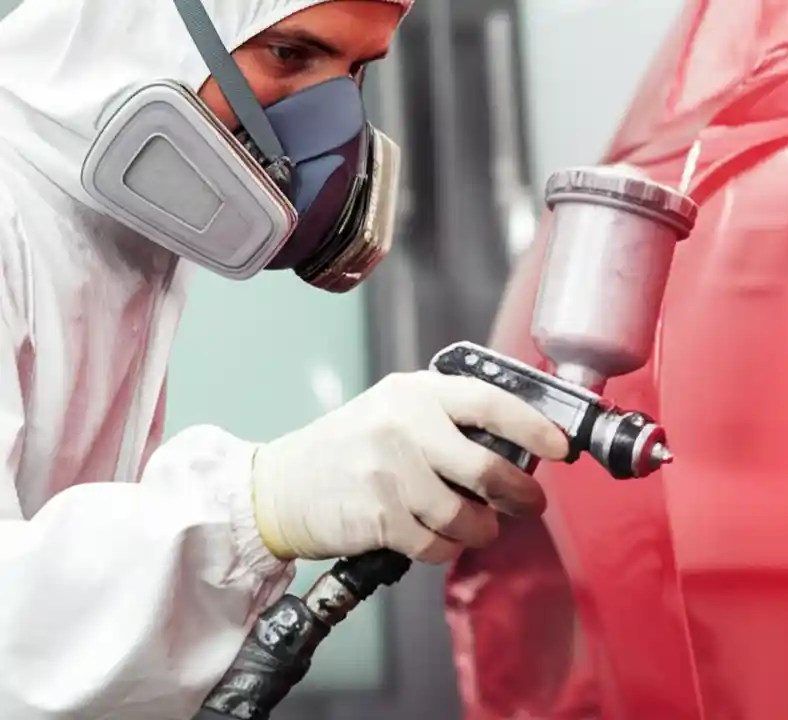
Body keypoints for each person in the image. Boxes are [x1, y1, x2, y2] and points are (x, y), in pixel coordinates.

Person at [0, 1, 568, 717]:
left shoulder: (122, 246)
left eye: (355, 71)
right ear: (146, 30)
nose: (331, 126)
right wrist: (261, 506)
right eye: (290, 56)